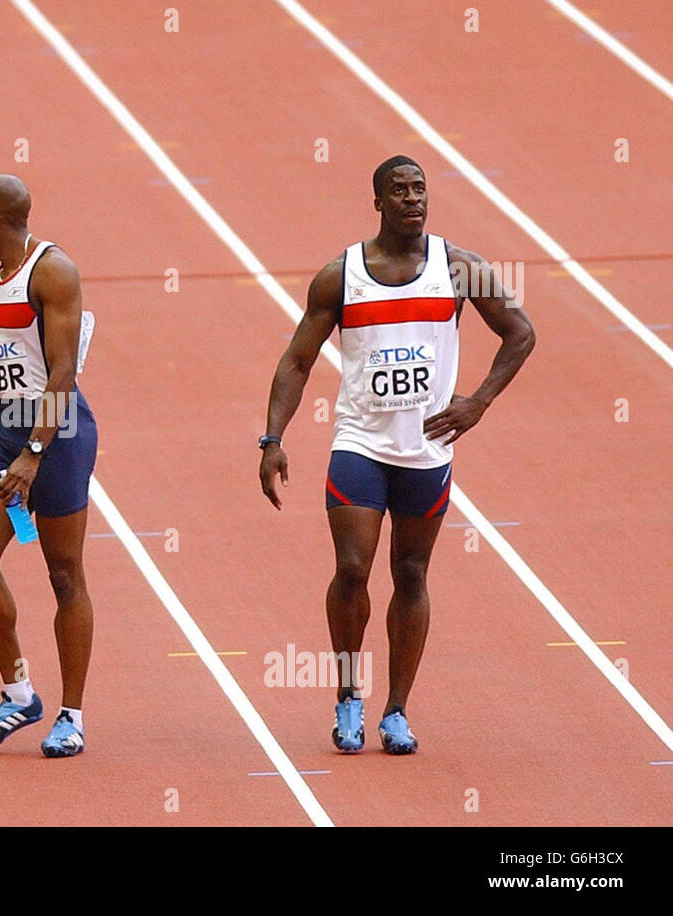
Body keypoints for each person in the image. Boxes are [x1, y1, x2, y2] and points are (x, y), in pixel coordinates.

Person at [259, 155, 535, 754]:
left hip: (427, 452)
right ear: (378, 202)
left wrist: (479, 402)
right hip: (359, 444)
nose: (413, 199)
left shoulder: (460, 268)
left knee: (410, 573)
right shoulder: (341, 276)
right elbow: (297, 360)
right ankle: (349, 698)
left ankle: (397, 711)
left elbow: (521, 331)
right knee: (354, 568)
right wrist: (273, 438)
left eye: (420, 189)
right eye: (399, 191)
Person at [0, 174, 98, 758]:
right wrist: (15, 442)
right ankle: (19, 692)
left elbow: (62, 374)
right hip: (8, 427)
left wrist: (34, 453)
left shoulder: (52, 271)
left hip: (58, 433)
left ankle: (71, 715)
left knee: (64, 575)